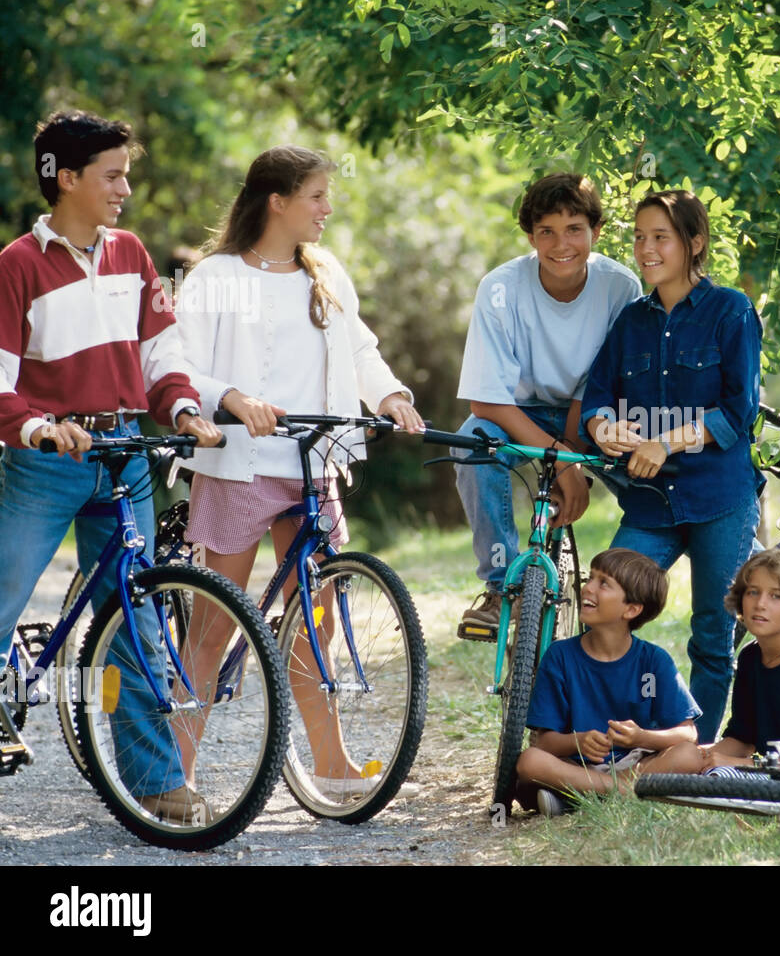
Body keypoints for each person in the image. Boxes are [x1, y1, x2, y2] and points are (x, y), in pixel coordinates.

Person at [174, 144, 424, 798]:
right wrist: (231, 398)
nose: (327, 207)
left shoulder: (326, 270)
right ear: (277, 201)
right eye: (316, 195)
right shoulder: (214, 276)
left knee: (317, 622)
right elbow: (177, 363)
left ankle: (333, 763)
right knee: (211, 624)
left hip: (312, 464)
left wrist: (391, 394)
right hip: (239, 466)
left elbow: (359, 346)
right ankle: (175, 776)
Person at [0, 110, 223, 822]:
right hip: (47, 463)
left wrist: (183, 407)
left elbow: (163, 350)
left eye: (126, 173)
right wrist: (38, 426)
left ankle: (154, 781)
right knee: (1, 594)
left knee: (135, 620)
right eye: (113, 175)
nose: (126, 187)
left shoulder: (133, 254)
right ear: (66, 178)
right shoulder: (16, 266)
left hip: (125, 455)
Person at [581, 190, 764, 743]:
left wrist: (667, 441)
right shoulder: (631, 321)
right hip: (650, 502)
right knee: (606, 606)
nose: (646, 249)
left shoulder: (731, 309)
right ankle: (601, 743)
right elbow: (596, 396)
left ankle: (696, 755)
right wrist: (602, 427)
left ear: (694, 243)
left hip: (720, 498)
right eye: (639, 237)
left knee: (712, 633)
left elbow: (740, 409)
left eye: (660, 237)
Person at [453, 174, 641, 637]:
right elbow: (487, 399)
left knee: (652, 484)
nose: (561, 244)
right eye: (546, 232)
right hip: (516, 414)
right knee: (471, 443)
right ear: (530, 236)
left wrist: (570, 456)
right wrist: (562, 464)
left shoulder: (619, 287)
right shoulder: (500, 288)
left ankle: (620, 593)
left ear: (595, 232)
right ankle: (501, 588)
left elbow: (601, 381)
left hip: (598, 416)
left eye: (574, 229)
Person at [516, 548, 702, 815]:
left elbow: (688, 734)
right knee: (529, 761)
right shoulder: (559, 656)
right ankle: (624, 791)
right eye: (590, 578)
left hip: (636, 764)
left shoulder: (654, 661)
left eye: (603, 583)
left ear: (632, 609)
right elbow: (544, 743)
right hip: (576, 765)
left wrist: (642, 737)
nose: (588, 588)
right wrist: (577, 741)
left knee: (689, 755)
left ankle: (579, 797)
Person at [664, 547, 780, 772]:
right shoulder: (750, 657)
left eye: (776, 596)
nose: (760, 604)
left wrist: (743, 764)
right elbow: (743, 740)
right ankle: (625, 780)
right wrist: (697, 756)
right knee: (681, 756)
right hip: (765, 770)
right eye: (753, 592)